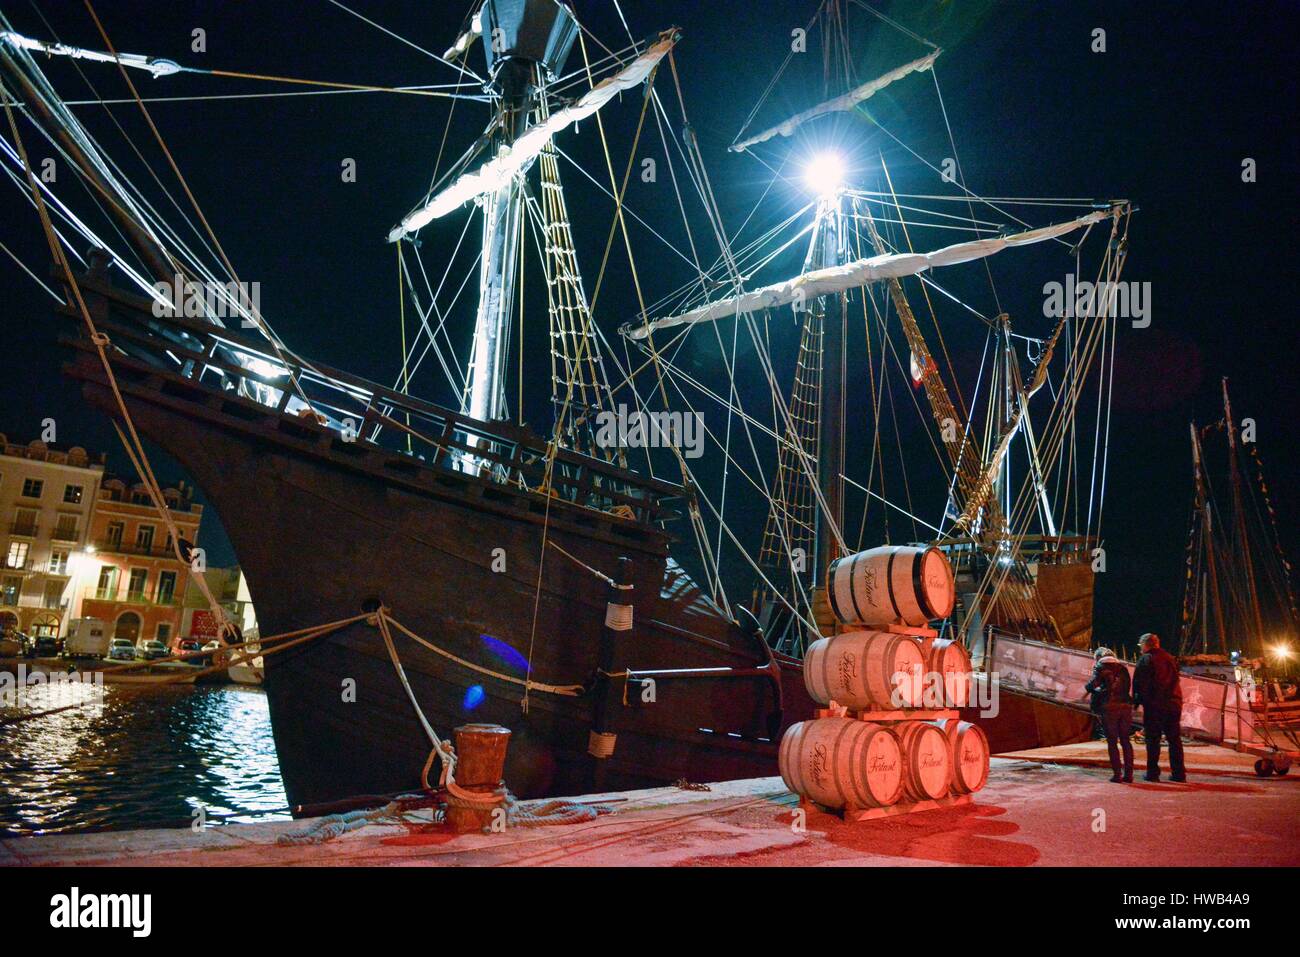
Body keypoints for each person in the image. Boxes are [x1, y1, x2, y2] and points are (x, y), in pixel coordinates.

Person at [1132, 632, 1186, 782]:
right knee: (1174, 740)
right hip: (1174, 704)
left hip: (1155, 705)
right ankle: (1179, 774)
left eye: (1140, 645)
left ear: (1145, 644)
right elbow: (1176, 679)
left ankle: (1153, 773)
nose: (1140, 648)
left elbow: (1139, 683)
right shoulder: (1170, 659)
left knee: (1153, 740)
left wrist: (1136, 702)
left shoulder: (1146, 659)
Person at [1084, 646, 1134, 782]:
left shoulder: (1100, 666)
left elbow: (1093, 684)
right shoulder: (1123, 668)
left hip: (1109, 708)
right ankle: (1129, 775)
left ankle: (1117, 775)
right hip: (1125, 707)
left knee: (1112, 742)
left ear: (1099, 658)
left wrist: (1089, 688)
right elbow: (1126, 687)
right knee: (1125, 741)